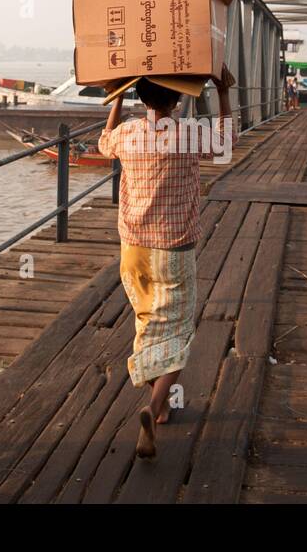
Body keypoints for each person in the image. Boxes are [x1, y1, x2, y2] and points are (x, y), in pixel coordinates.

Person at [97, 70, 235, 459]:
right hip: (174, 247)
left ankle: (160, 408)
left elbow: (103, 143)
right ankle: (155, 407)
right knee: (178, 330)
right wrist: (223, 94)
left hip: (133, 247)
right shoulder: (188, 134)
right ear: (177, 99)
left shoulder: (126, 134)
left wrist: (117, 98)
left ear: (141, 99)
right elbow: (226, 144)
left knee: (147, 322)